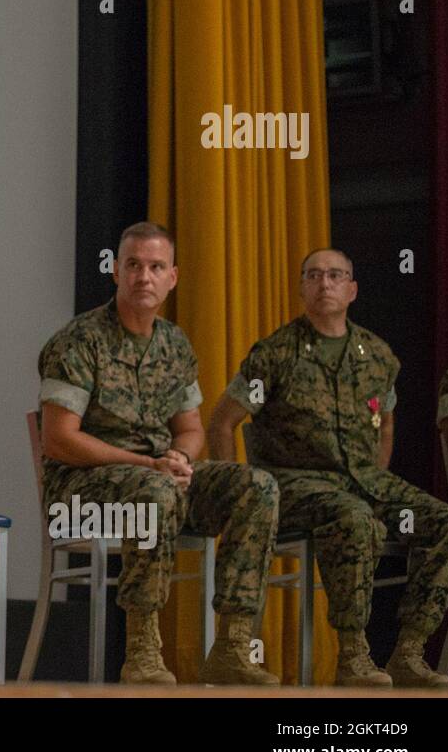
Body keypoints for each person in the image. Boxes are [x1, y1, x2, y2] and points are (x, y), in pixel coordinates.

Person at [38, 222, 280, 685]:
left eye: (155, 267)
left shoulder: (175, 344)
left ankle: (232, 647)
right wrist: (150, 465)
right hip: (79, 493)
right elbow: (59, 439)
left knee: (256, 486)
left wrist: (179, 459)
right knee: (154, 492)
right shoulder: (78, 341)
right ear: (115, 271)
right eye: (133, 265)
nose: (143, 277)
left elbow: (190, 429)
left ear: (173, 277)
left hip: (158, 479)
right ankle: (142, 651)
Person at [208, 248, 448, 688]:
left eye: (336, 275)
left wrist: (377, 474)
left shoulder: (377, 356)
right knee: (354, 516)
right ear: (302, 287)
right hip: (297, 485)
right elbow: (224, 421)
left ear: (352, 289)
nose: (325, 284)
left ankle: (409, 653)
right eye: (314, 276)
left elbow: (386, 421)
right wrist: (239, 487)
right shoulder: (276, 354)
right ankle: (353, 657)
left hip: (365, 481)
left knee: (446, 523)